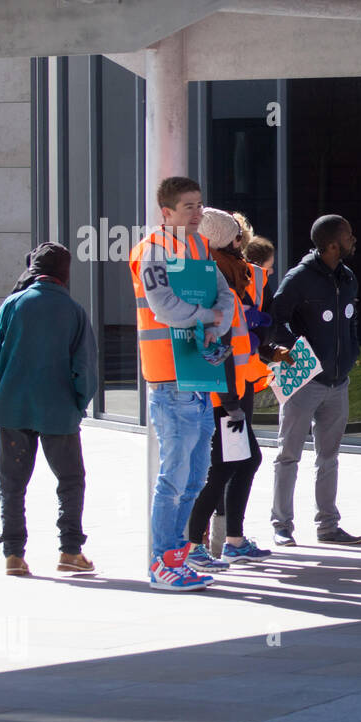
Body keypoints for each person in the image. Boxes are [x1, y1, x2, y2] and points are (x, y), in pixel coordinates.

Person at [0, 242, 98, 575]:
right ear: (65, 272)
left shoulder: (13, 304)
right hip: (59, 411)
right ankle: (70, 552)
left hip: (14, 408)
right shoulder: (74, 311)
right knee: (71, 480)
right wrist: (80, 403)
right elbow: (86, 368)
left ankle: (13, 556)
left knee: (12, 483)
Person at [128, 176, 235, 592]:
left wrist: (217, 320)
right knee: (174, 476)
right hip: (170, 377)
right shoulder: (151, 250)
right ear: (166, 212)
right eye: (188, 206)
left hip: (198, 373)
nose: (197, 214)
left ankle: (177, 557)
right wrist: (207, 318)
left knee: (194, 476)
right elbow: (163, 306)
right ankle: (162, 563)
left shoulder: (198, 248)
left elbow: (224, 295)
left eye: (199, 205)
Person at [185, 208, 274, 568]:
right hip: (223, 392)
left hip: (231, 387)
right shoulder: (217, 278)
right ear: (225, 240)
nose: (243, 242)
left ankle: (230, 540)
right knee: (228, 464)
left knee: (236, 461)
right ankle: (194, 545)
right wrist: (229, 398)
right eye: (237, 236)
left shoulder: (228, 274)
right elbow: (216, 338)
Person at [269, 214, 361, 547]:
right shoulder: (299, 279)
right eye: (349, 235)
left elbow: (352, 322)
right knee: (289, 454)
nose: (355, 240)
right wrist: (297, 350)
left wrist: (351, 353)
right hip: (305, 383)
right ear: (333, 244)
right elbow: (274, 319)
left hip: (338, 383)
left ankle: (328, 526)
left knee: (329, 456)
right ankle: (281, 524)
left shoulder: (348, 277)